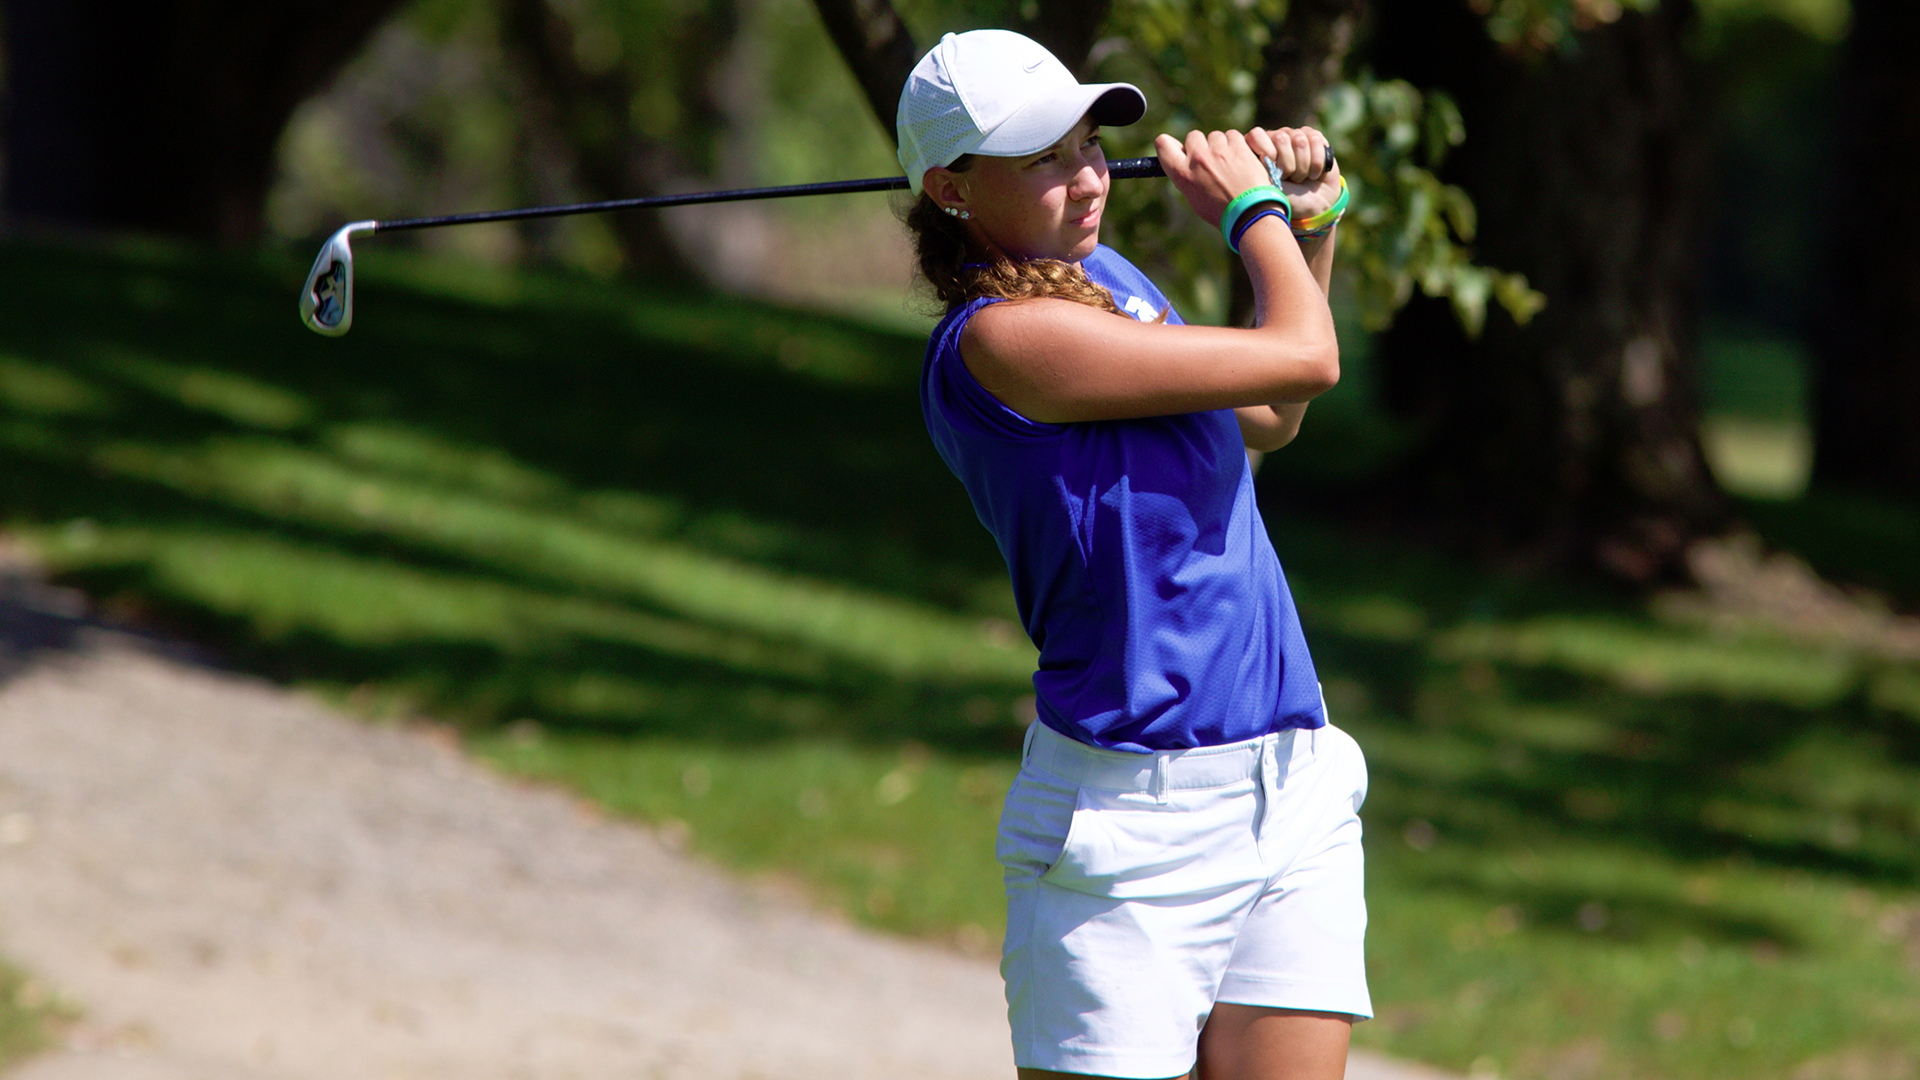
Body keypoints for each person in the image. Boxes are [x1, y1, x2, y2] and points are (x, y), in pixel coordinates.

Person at [897, 29, 1369, 1080]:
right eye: (1045, 160)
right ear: (952, 188)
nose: (1088, 177)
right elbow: (1311, 355)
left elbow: (1272, 405)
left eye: (1089, 144)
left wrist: (1312, 217)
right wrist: (1251, 216)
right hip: (1127, 819)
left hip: (1288, 782)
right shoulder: (1000, 339)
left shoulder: (1102, 278)